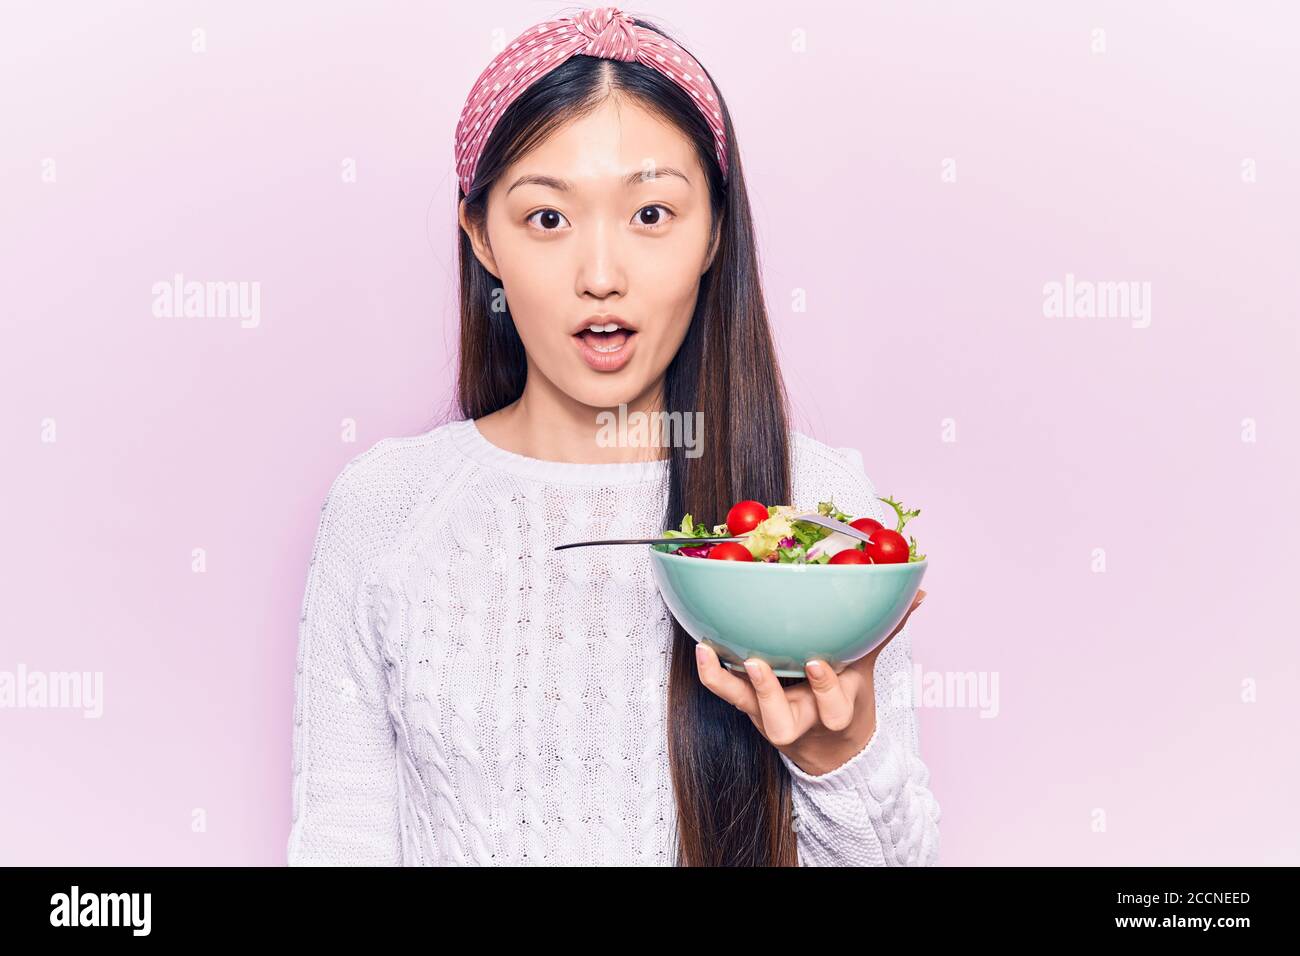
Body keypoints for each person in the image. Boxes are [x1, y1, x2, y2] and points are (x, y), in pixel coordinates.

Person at [288, 6, 939, 866]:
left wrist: (833, 761)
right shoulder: (385, 510)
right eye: (548, 219)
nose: (601, 277)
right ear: (482, 236)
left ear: (714, 231)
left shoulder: (813, 523)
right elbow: (341, 842)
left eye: (652, 214)